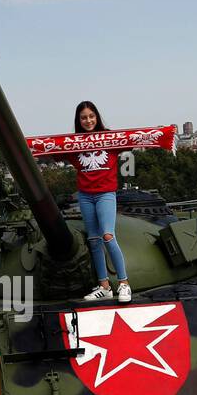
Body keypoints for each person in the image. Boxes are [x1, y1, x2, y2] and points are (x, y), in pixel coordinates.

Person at [52, 101, 131, 302]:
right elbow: (54, 153)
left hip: (106, 194)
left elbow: (132, 140)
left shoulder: (109, 137)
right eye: (84, 117)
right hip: (85, 196)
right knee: (94, 240)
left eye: (91, 116)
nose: (88, 120)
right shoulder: (75, 143)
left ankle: (124, 283)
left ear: (97, 117)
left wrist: (154, 134)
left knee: (107, 236)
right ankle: (104, 286)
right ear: (79, 121)